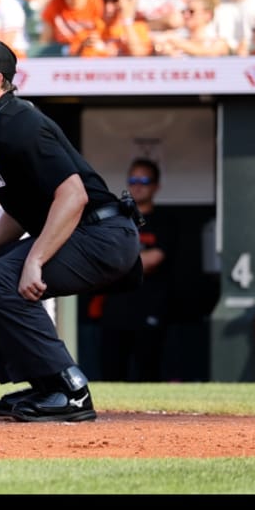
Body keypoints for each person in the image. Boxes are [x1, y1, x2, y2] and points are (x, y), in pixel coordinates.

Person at [0, 31, 142, 421]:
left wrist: (35, 260)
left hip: (102, 234)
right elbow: (19, 211)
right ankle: (45, 384)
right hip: (86, 231)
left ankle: (70, 390)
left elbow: (74, 195)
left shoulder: (18, 121)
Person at [98, 158, 179, 382]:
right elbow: (104, 257)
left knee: (148, 370)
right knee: (112, 372)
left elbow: (154, 258)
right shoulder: (116, 219)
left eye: (144, 180)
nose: (138, 185)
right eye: (133, 180)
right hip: (116, 306)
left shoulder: (164, 221)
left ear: (156, 186)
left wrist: (122, 262)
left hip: (150, 304)